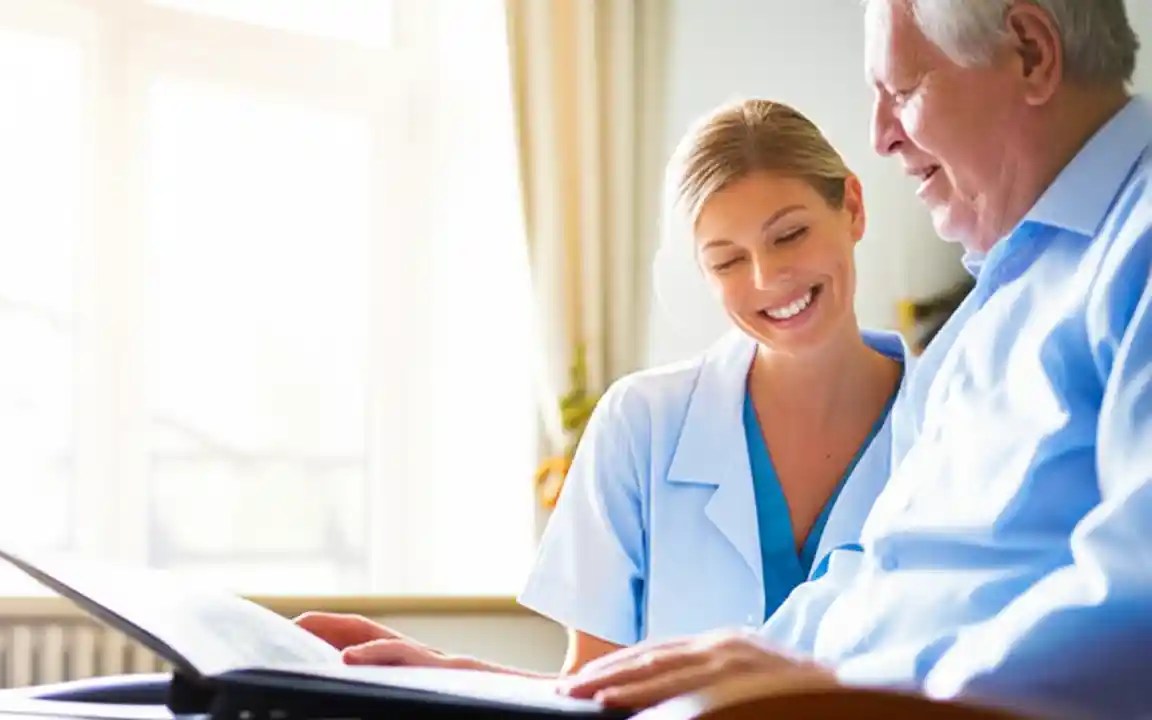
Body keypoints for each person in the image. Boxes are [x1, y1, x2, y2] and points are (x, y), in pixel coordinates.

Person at [553, 1, 1152, 718]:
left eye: (901, 92)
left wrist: (842, 687)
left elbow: (1136, 600)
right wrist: (505, 690)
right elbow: (882, 578)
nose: (880, 136)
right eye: (727, 260)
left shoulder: (1132, 256)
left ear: (1030, 53)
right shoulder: (992, 308)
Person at [297, 99, 907, 676]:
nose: (768, 277)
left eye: (790, 234)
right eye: (726, 261)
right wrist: (447, 676)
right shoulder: (640, 425)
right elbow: (593, 690)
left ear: (851, 207)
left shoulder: (950, 421)